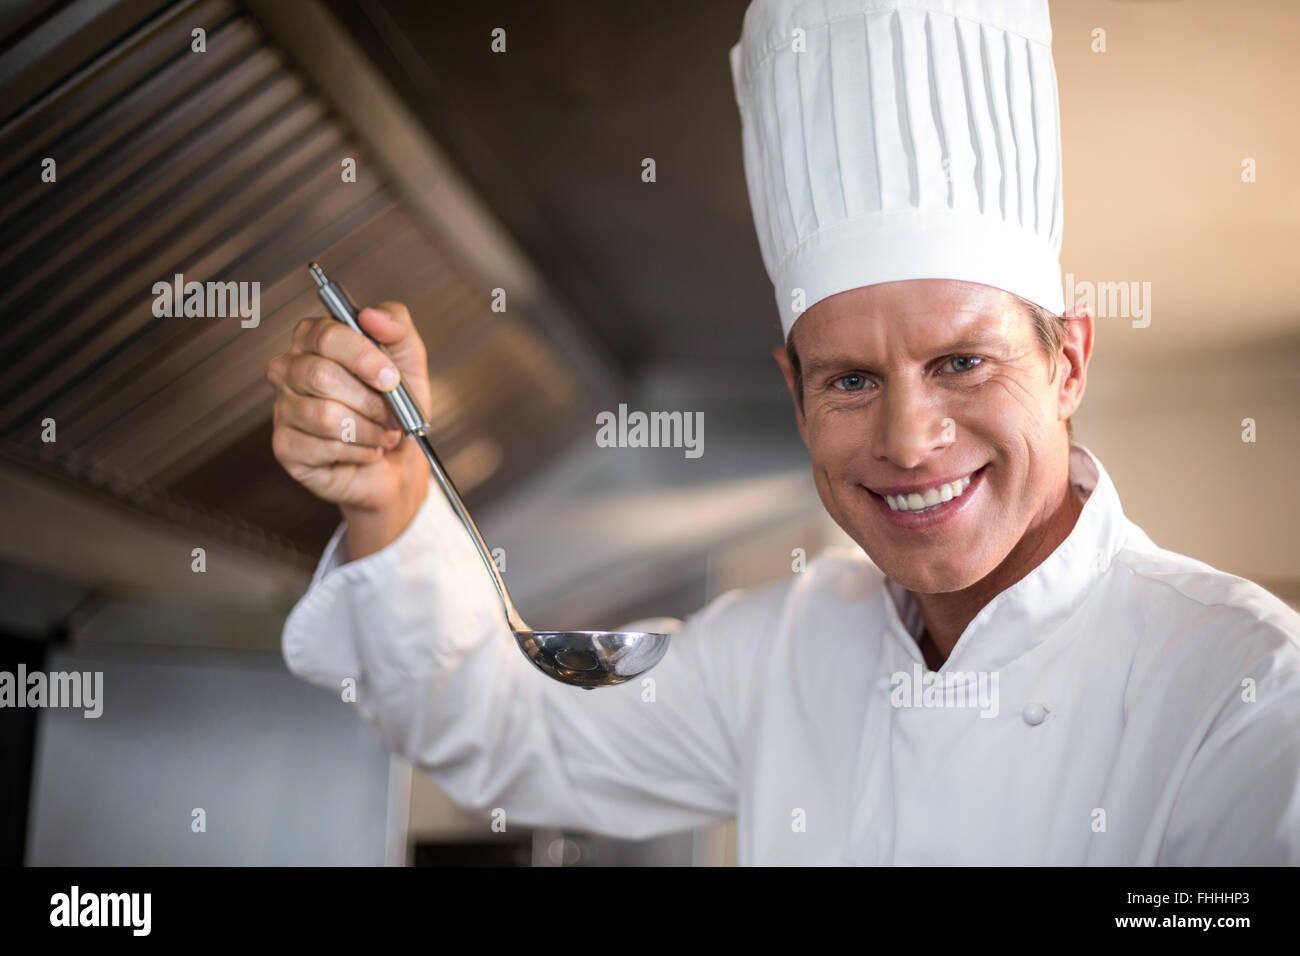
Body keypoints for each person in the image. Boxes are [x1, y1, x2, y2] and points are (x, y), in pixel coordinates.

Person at [266, 0, 1300, 864]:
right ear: (794, 392)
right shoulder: (783, 649)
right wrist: (389, 486)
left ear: (1067, 360)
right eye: (851, 378)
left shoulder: (1243, 683)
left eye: (960, 362)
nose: (907, 438)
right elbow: (502, 727)